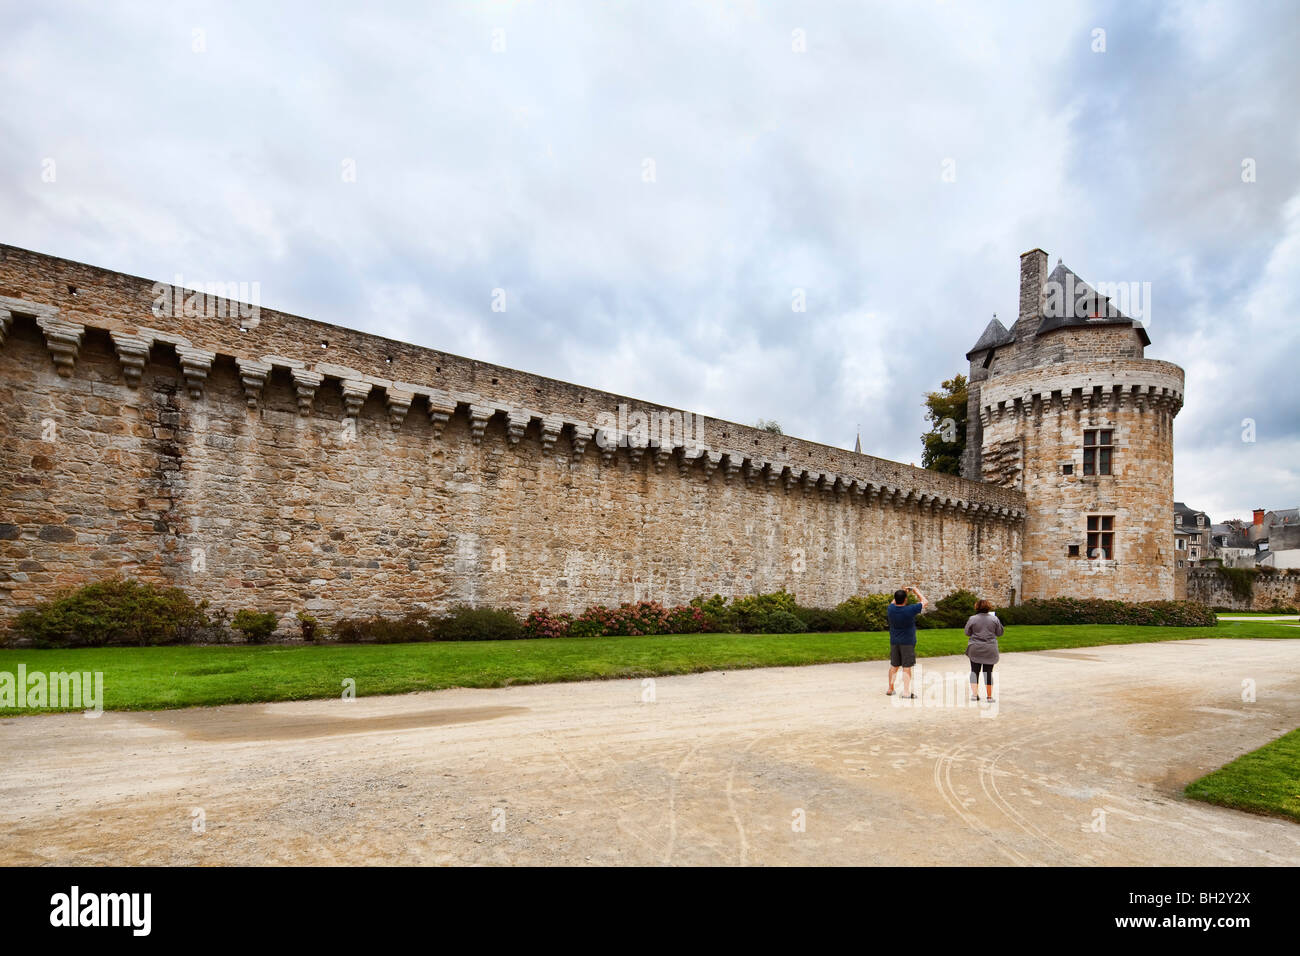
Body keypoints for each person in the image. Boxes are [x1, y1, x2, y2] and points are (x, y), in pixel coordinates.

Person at [886, 586, 929, 697]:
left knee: (894, 666)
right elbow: (925, 601)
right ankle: (906, 692)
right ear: (905, 599)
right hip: (907, 642)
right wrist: (916, 591)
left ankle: (890, 689)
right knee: (906, 667)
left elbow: (893, 601)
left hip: (894, 641)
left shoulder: (890, 609)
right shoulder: (910, 609)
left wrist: (903, 593)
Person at [964, 599, 1003, 702]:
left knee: (974, 671)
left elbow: (967, 632)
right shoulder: (994, 619)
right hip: (990, 648)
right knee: (988, 672)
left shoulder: (972, 619)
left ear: (977, 607)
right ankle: (989, 697)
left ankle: (974, 695)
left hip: (975, 647)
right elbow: (999, 633)